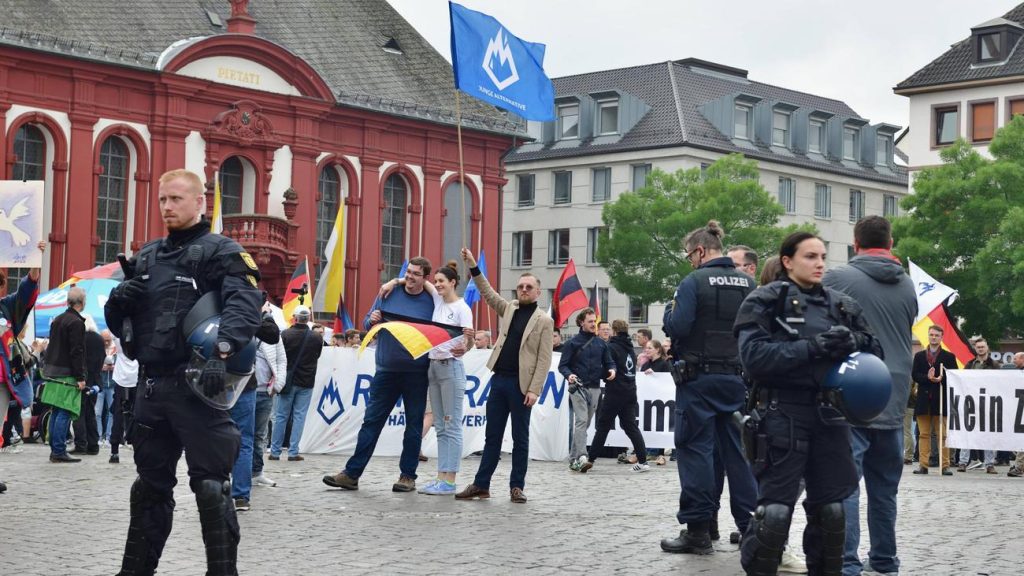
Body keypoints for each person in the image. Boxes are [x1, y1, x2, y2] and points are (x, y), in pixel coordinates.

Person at [104, 168, 263, 575]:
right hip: (152, 388)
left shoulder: (222, 251)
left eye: (176, 199)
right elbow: (120, 322)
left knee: (211, 486)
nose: (168, 207)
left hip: (199, 385)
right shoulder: (147, 255)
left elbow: (243, 304)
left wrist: (221, 353)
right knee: (149, 489)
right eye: (163, 200)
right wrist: (118, 300)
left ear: (199, 202)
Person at [734, 231, 881, 575]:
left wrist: (852, 340)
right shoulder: (763, 301)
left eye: (822, 257)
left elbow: (876, 350)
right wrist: (813, 348)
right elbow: (753, 358)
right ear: (787, 261)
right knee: (774, 515)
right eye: (810, 257)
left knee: (832, 512)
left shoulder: (841, 304)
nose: (819, 264)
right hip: (781, 415)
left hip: (830, 416)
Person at [822, 215, 917, 576]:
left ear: (855, 244)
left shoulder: (837, 278)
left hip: (853, 393)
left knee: (846, 484)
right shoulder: (907, 285)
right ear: (891, 243)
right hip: (893, 395)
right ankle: (884, 560)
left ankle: (847, 562)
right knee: (884, 490)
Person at [659, 220, 757, 557]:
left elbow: (678, 325)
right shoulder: (749, 283)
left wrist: (669, 316)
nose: (690, 261)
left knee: (695, 451)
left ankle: (698, 530)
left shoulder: (693, 281)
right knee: (740, 456)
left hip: (698, 380)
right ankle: (751, 529)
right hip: (737, 380)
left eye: (690, 256)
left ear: (700, 251)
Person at [322, 257, 436, 493]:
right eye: (408, 272)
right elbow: (366, 324)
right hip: (386, 370)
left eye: (416, 273)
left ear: (425, 278)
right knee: (371, 423)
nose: (410, 277)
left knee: (413, 426)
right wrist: (371, 320)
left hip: (416, 372)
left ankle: (407, 476)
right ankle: (351, 475)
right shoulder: (388, 293)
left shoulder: (431, 301)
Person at [455, 248, 552, 503]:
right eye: (520, 286)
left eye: (529, 286)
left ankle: (516, 486)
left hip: (522, 386)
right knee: (492, 437)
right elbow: (487, 292)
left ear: (538, 291)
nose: (523, 290)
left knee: (520, 439)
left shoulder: (543, 320)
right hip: (499, 380)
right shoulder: (509, 308)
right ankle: (481, 484)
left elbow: (544, 358)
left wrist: (534, 389)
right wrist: (474, 266)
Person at [379, 260, 474, 495]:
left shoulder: (463, 308)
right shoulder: (437, 299)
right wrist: (394, 281)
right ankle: (442, 476)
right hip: (433, 367)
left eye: (442, 281)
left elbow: (468, 339)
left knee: (451, 426)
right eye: (437, 281)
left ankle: (450, 479)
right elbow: (417, 280)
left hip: (451, 367)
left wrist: (468, 345)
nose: (437, 284)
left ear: (453, 283)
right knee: (440, 425)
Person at [229, 308, 281, 511]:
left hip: (233, 381)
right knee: (244, 440)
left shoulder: (210, 296)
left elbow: (273, 337)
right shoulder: (246, 304)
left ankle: (222, 491)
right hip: (238, 380)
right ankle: (238, 494)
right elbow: (272, 333)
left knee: (237, 439)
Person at [583, 319, 649, 473]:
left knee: (603, 426)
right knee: (630, 426)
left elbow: (607, 368)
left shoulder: (611, 347)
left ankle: (591, 459)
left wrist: (599, 375)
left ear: (615, 330)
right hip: (631, 391)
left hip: (615, 392)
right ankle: (644, 461)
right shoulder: (631, 348)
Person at [559, 307, 615, 472]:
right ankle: (583, 456)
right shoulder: (572, 343)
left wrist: (612, 370)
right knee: (582, 420)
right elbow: (563, 366)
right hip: (578, 387)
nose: (593, 324)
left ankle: (573, 458)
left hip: (595, 388)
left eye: (594, 321)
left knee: (586, 422)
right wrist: (569, 376)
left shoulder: (601, 343)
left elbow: (609, 362)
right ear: (581, 322)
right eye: (590, 321)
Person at [42, 286, 89, 464]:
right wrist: (80, 377)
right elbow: (76, 351)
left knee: (56, 411)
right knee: (65, 411)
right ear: (82, 303)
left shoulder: (57, 320)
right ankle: (59, 450)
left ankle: (55, 449)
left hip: (52, 371)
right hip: (67, 373)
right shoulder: (76, 323)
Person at [270, 306, 321, 462]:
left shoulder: (285, 334)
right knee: (299, 417)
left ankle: (275, 451)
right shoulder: (317, 337)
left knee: (280, 416)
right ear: (309, 318)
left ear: (294, 317)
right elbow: (317, 355)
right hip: (306, 380)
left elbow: (279, 356)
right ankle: (293, 452)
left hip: (287, 380)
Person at [910, 326, 958, 477]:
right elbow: (915, 375)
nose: (934, 337)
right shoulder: (919, 356)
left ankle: (945, 465)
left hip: (940, 399)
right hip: (924, 400)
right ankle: (923, 465)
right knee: (923, 434)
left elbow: (954, 377)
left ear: (941, 337)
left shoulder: (949, 356)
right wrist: (927, 378)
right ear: (928, 336)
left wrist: (942, 379)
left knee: (942, 435)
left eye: (937, 335)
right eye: (931, 335)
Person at [253, 300, 286, 488]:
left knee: (260, 435)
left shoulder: (274, 333)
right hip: (243, 391)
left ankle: (257, 472)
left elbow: (282, 360)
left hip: (265, 391)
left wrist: (277, 385)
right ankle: (239, 471)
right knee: (242, 434)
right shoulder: (244, 326)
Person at [956, 338, 1001, 474]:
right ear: (975, 349)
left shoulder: (995, 365)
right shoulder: (970, 365)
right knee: (967, 432)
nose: (980, 349)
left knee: (988, 434)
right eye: (978, 347)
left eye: (982, 347)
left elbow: (1000, 384)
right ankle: (963, 462)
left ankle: (989, 464)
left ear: (987, 348)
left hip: (988, 403)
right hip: (972, 402)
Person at [71, 313, 104, 455]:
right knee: (90, 413)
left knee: (78, 412)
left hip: (81, 379)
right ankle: (93, 444)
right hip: (95, 380)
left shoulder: (80, 338)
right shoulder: (98, 338)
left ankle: (81, 444)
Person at [109, 334, 139, 465]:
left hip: (121, 378)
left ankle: (114, 451)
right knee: (138, 415)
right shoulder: (139, 333)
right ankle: (137, 445)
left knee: (117, 415)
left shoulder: (118, 334)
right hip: (136, 377)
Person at [96, 330, 117, 445]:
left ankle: (108, 437)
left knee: (112, 412)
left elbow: (120, 365)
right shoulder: (98, 349)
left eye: (108, 340)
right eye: (105, 340)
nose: (107, 342)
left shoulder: (115, 351)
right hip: (100, 385)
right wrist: (101, 367)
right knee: (97, 413)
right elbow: (93, 365)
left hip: (112, 385)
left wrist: (114, 367)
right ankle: (99, 437)